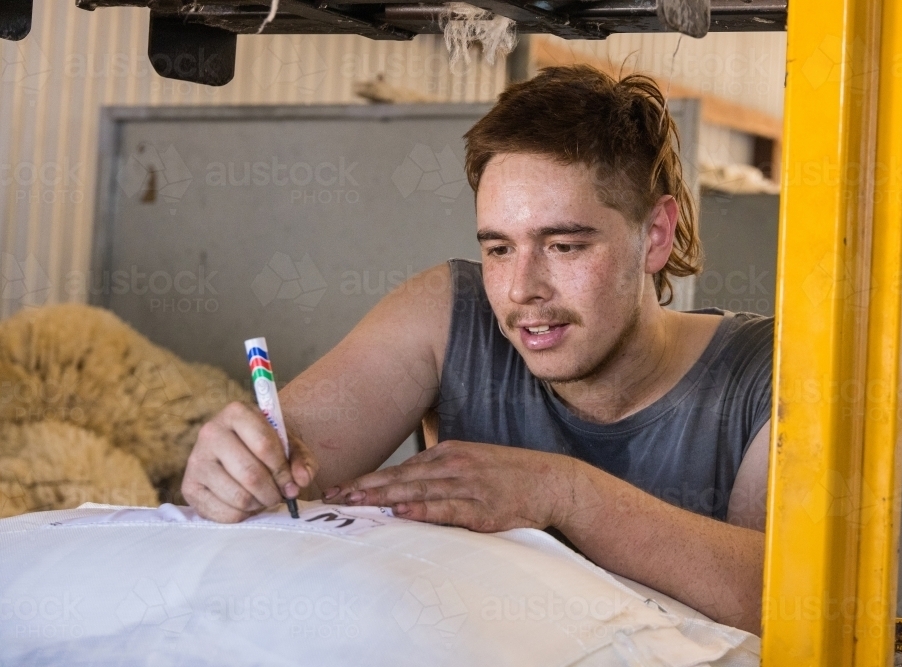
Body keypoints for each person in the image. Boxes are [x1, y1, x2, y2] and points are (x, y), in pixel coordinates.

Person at [181, 65, 774, 634]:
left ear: (656, 236)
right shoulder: (448, 311)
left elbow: (778, 600)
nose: (522, 291)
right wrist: (234, 468)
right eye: (498, 249)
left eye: (564, 246)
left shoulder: (768, 369)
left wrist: (562, 493)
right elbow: (292, 459)